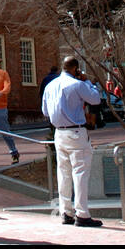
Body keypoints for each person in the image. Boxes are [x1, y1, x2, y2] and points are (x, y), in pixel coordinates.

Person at [41, 56, 103, 227]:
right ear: (76, 69)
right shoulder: (78, 84)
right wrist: (88, 81)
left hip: (58, 133)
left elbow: (45, 111)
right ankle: (82, 214)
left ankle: (66, 212)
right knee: (80, 172)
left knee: (64, 173)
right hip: (76, 131)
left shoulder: (50, 86)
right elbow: (95, 98)